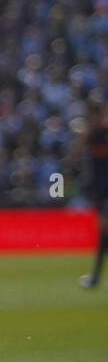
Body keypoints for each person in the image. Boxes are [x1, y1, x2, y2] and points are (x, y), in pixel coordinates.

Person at [73, 100, 108, 288]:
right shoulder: (91, 136)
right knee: (103, 235)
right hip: (99, 189)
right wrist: (85, 134)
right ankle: (95, 276)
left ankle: (95, 276)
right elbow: (74, 154)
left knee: (104, 230)